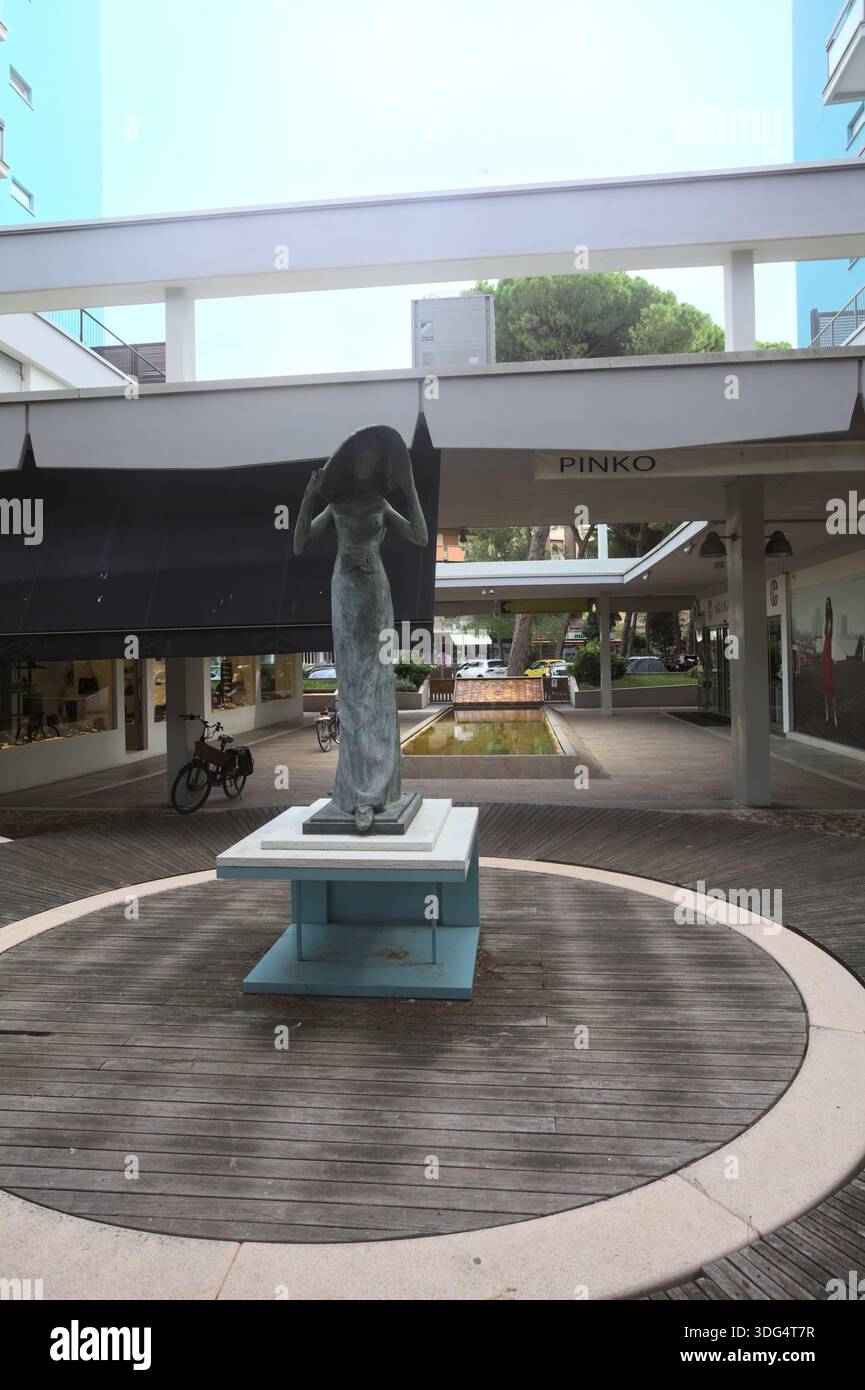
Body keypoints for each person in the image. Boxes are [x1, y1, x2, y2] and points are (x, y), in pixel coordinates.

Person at [293, 426, 427, 833]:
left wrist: (411, 488)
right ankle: (354, 794)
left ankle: (378, 791)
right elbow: (300, 543)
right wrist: (308, 498)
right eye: (361, 455)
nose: (366, 461)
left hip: (375, 591)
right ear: (352, 462)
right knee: (352, 689)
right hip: (345, 590)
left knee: (377, 685)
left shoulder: (381, 503)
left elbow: (420, 536)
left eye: (372, 455)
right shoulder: (336, 506)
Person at [822, 596, 838, 729]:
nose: (827, 607)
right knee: (826, 687)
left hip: (828, 655)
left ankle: (834, 716)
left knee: (830, 686)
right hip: (824, 654)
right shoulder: (827, 625)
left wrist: (829, 610)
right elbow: (827, 617)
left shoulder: (830, 625)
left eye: (828, 605)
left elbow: (829, 617)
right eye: (826, 605)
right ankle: (828, 715)